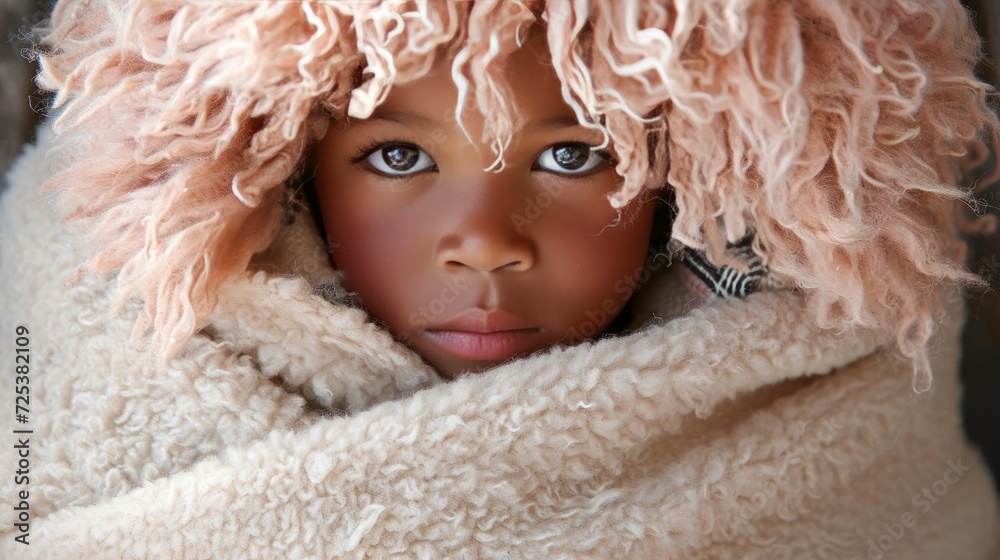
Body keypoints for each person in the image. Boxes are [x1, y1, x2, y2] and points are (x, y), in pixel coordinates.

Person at [0, 1, 997, 557]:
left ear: (682, 175)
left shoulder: (842, 395)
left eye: (571, 156)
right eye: (396, 158)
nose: (482, 241)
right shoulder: (72, 347)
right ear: (289, 171)